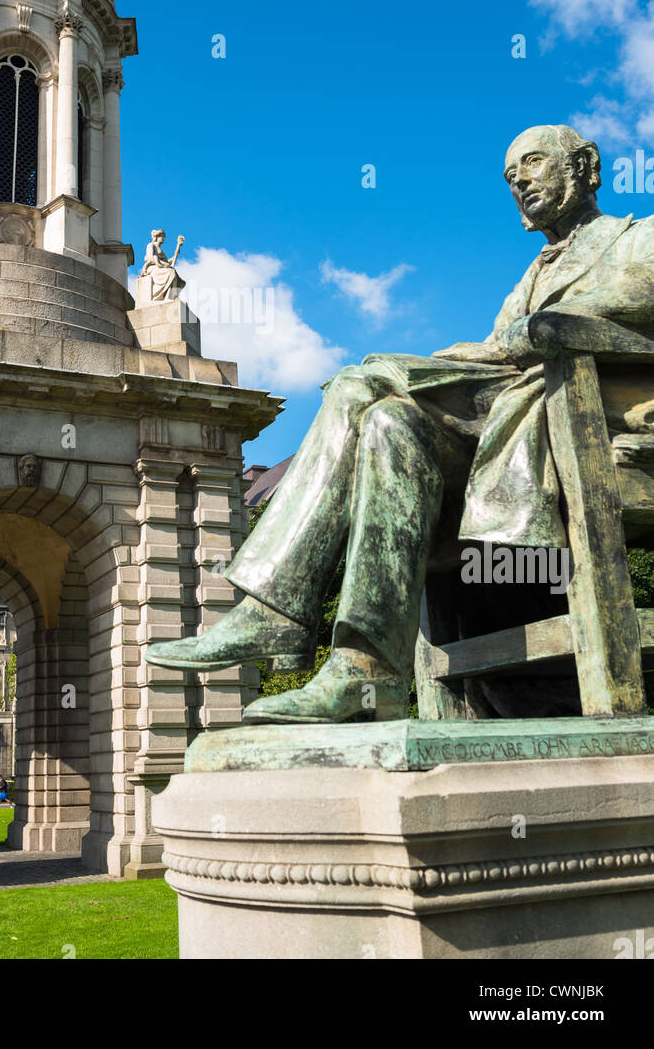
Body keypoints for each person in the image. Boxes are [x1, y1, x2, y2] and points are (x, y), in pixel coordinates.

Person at [147, 125, 654, 723]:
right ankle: (365, 671)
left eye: (534, 163)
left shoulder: (636, 236)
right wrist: (442, 361)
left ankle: (271, 613)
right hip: (514, 416)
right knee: (388, 419)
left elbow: (640, 293)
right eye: (510, 175)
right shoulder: (534, 273)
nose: (519, 180)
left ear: (586, 166)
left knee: (358, 385)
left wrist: (530, 331)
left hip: (591, 413)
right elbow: (492, 350)